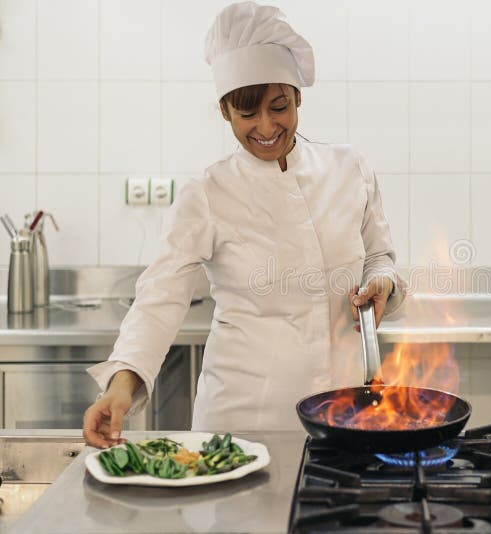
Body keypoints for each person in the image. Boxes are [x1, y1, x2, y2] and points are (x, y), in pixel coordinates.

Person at [82, 1, 405, 448]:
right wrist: (121, 384)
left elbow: (379, 257)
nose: (267, 127)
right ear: (224, 111)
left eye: (280, 107)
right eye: (247, 114)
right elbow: (159, 298)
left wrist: (381, 283)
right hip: (243, 421)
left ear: (298, 98)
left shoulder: (349, 168)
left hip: (343, 413)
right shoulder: (208, 194)